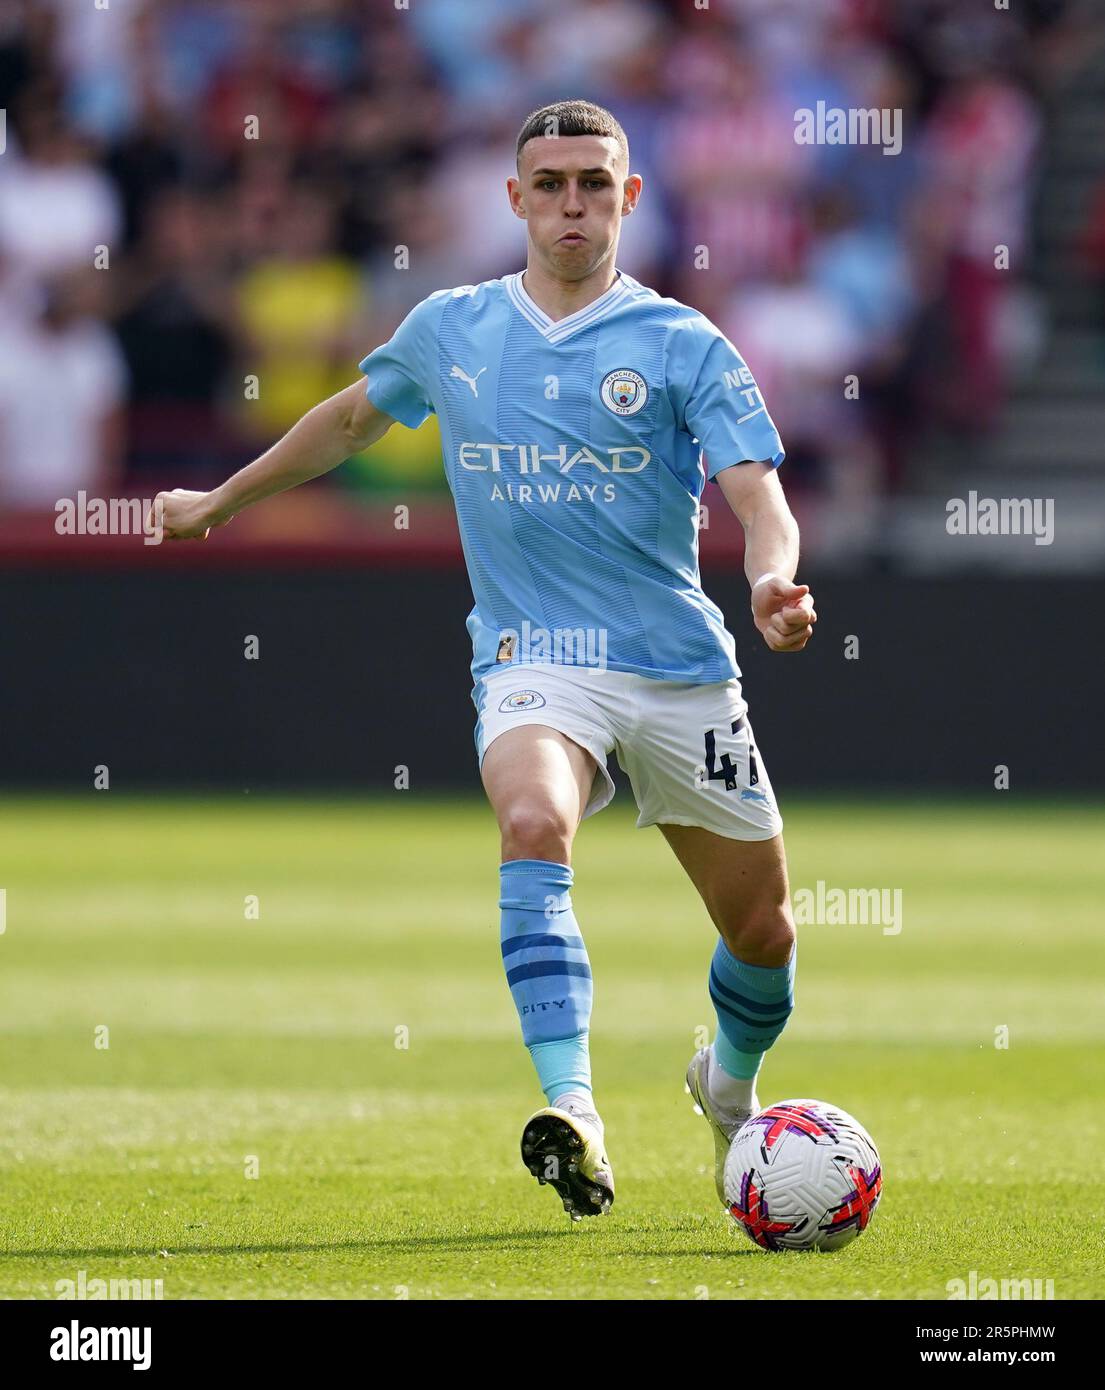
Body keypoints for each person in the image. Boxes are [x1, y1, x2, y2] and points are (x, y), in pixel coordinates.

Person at [151, 100, 816, 1223]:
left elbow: (758, 493)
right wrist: (221, 501)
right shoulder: (453, 327)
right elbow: (352, 421)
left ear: (628, 200)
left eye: (593, 185)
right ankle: (576, 1114)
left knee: (763, 934)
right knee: (531, 822)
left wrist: (767, 581)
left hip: (674, 671)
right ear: (514, 199)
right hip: (529, 658)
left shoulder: (681, 343)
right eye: (550, 183)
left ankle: (728, 1084)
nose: (571, 203)